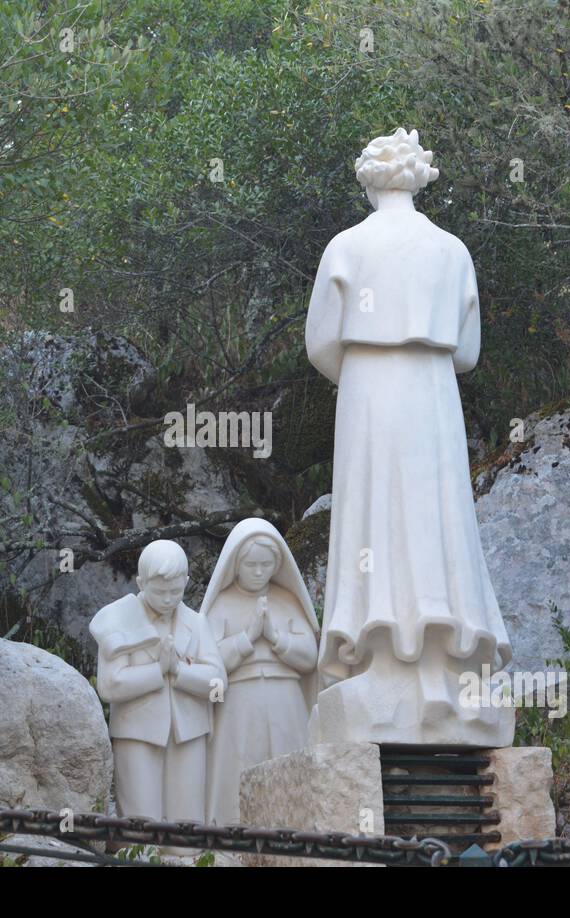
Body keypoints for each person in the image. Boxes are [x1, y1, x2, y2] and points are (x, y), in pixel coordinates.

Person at [304, 127, 513, 747]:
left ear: (368, 180)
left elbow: (320, 344)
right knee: (436, 517)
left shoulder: (346, 246)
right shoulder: (451, 250)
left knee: (374, 516)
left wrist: (362, 370)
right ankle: (445, 668)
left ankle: (379, 659)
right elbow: (469, 352)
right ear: (420, 179)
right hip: (432, 394)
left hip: (369, 394)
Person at [91, 539, 225, 829]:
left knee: (186, 832)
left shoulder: (197, 623)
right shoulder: (116, 620)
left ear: (187, 583)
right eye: (159, 591)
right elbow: (110, 686)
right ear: (140, 583)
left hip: (188, 732)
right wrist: (157, 671)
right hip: (137, 732)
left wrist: (179, 672)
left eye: (175, 591)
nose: (168, 599)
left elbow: (218, 683)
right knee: (141, 828)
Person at [199, 519, 319, 825]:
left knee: (289, 763)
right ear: (236, 564)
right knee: (236, 766)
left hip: (285, 698)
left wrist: (277, 637)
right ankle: (231, 830)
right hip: (238, 699)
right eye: (251, 564)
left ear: (277, 565)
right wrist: (248, 637)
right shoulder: (222, 605)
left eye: (266, 564)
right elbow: (207, 661)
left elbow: (309, 657)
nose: (258, 571)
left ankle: (295, 829)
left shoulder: (288, 600)